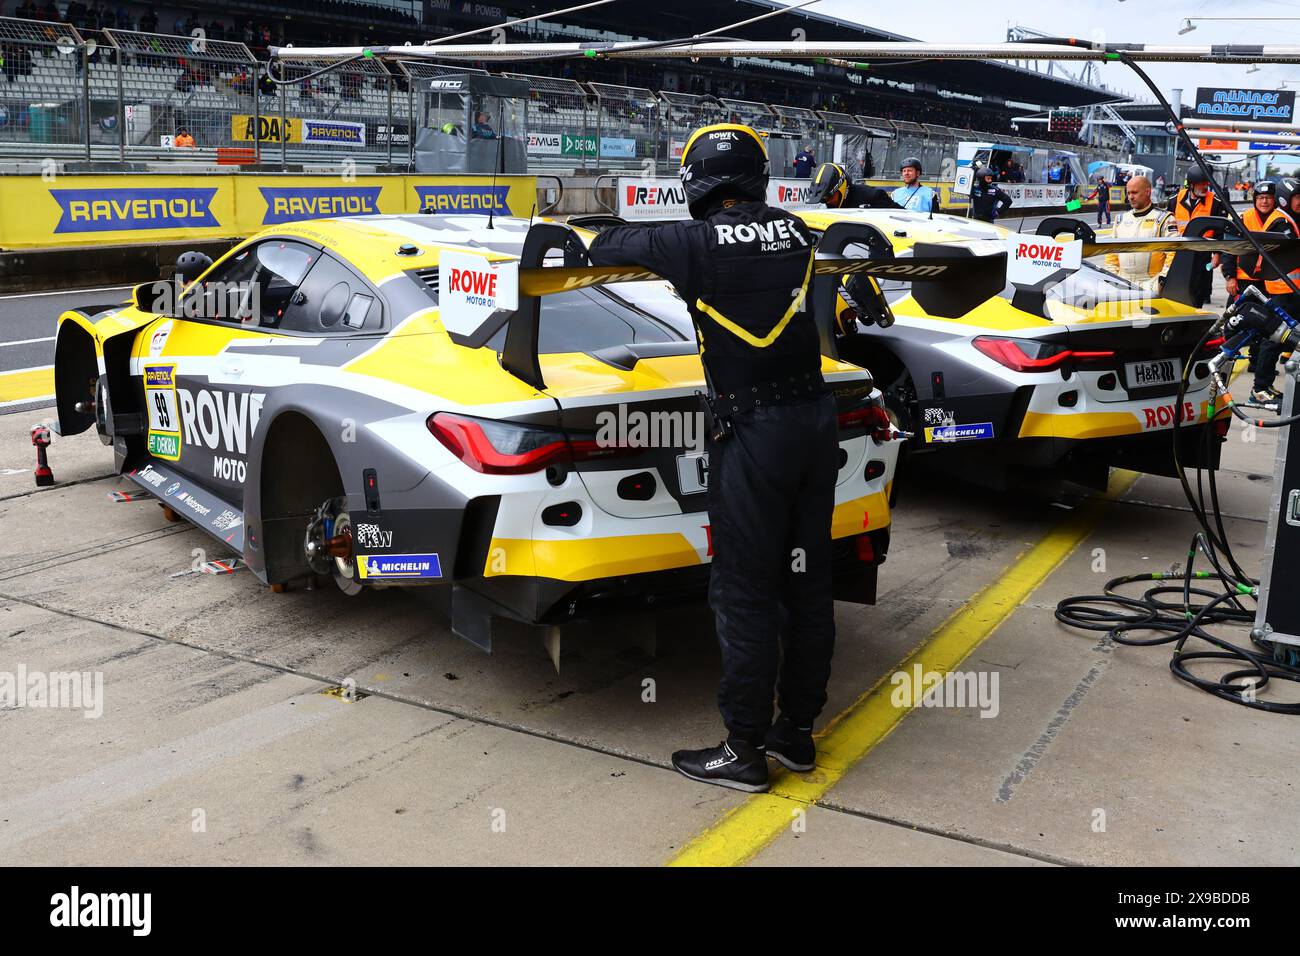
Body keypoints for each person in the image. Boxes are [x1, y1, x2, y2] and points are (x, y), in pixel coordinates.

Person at [588, 124, 839, 792]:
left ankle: (743, 749)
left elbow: (606, 242)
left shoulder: (689, 241)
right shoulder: (795, 230)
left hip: (755, 429)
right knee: (807, 583)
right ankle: (796, 734)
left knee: (743, 590)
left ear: (695, 181)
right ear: (759, 175)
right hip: (816, 420)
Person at [1220, 180, 1300, 403]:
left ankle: (1261, 381)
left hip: (1278, 286)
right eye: (1260, 198)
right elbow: (1231, 248)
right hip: (1269, 287)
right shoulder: (1275, 222)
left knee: (1273, 335)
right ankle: (1259, 387)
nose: (1264, 201)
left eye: (1268, 198)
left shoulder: (1285, 219)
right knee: (1265, 335)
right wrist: (1229, 275)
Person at [1103, 176, 1177, 293]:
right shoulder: (1120, 220)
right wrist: (1113, 280)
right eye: (1128, 193)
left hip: (1152, 285)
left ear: (1148, 192)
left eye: (1135, 192)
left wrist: (1161, 281)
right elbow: (1111, 254)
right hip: (1122, 284)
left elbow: (1173, 253)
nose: (1130, 197)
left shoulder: (1164, 219)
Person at [1167, 167, 1228, 308]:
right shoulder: (1174, 201)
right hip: (1179, 252)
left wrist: (1217, 255)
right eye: (1201, 183)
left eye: (1207, 183)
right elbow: (1166, 227)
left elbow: (1220, 232)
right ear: (1191, 185)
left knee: (1197, 293)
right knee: (1176, 291)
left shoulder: (1216, 202)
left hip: (1202, 253)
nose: (1205, 186)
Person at [807, 161, 901, 209]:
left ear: (841, 187)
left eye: (829, 197)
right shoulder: (826, 207)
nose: (828, 202)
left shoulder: (873, 196)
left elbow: (902, 216)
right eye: (823, 199)